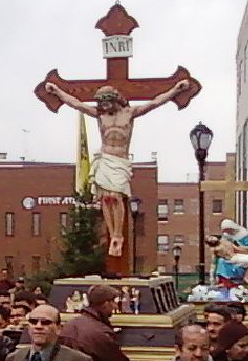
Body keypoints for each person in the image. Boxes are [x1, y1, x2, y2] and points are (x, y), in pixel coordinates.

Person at [44, 79, 190, 257]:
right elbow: (76, 104)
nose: (104, 106)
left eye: (106, 102)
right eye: (101, 103)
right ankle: (112, 233)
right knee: (106, 198)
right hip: (105, 157)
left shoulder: (130, 113)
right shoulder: (100, 116)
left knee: (116, 196)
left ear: (114, 99)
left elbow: (155, 102)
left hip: (120, 160)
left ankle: (118, 234)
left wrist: (175, 89)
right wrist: (57, 91)